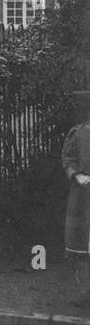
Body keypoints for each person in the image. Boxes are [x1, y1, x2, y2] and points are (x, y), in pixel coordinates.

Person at [62, 90, 90, 307]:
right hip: (84, 196)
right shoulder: (78, 133)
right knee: (85, 245)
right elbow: (68, 157)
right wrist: (76, 175)